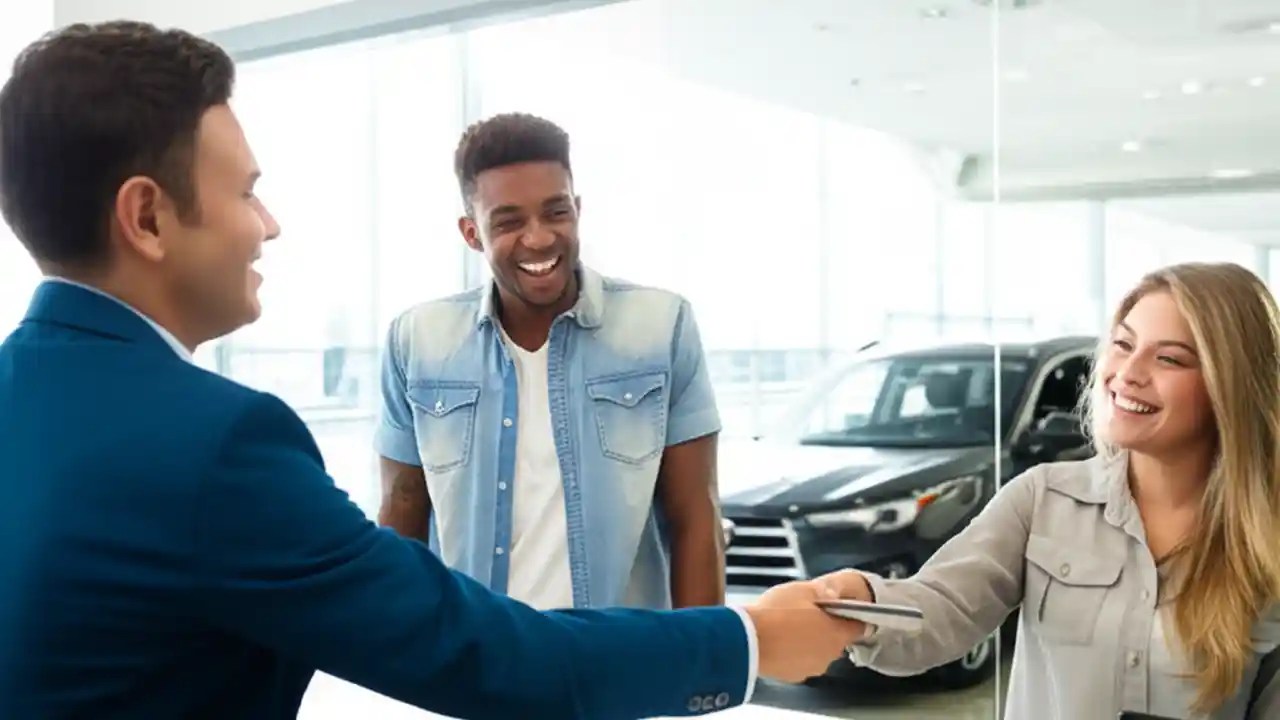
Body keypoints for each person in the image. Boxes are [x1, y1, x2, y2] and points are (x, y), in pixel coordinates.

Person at [0, 21, 869, 720]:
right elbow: (475, 644)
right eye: (245, 192)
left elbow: (688, 516)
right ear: (148, 218)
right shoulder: (219, 444)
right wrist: (750, 638)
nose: (267, 225)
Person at [839, 262, 1280, 719]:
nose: (1128, 373)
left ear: (1231, 384)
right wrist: (849, 603)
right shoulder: (1041, 499)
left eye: (1168, 358)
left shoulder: (1268, 541)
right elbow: (939, 609)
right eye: (1123, 345)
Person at [376, 113, 725, 611]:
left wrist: (704, 652)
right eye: (509, 222)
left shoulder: (660, 327)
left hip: (620, 648)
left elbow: (695, 516)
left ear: (577, 210)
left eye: (556, 212)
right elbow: (401, 514)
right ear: (472, 233)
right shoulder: (417, 342)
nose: (538, 238)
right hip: (477, 648)